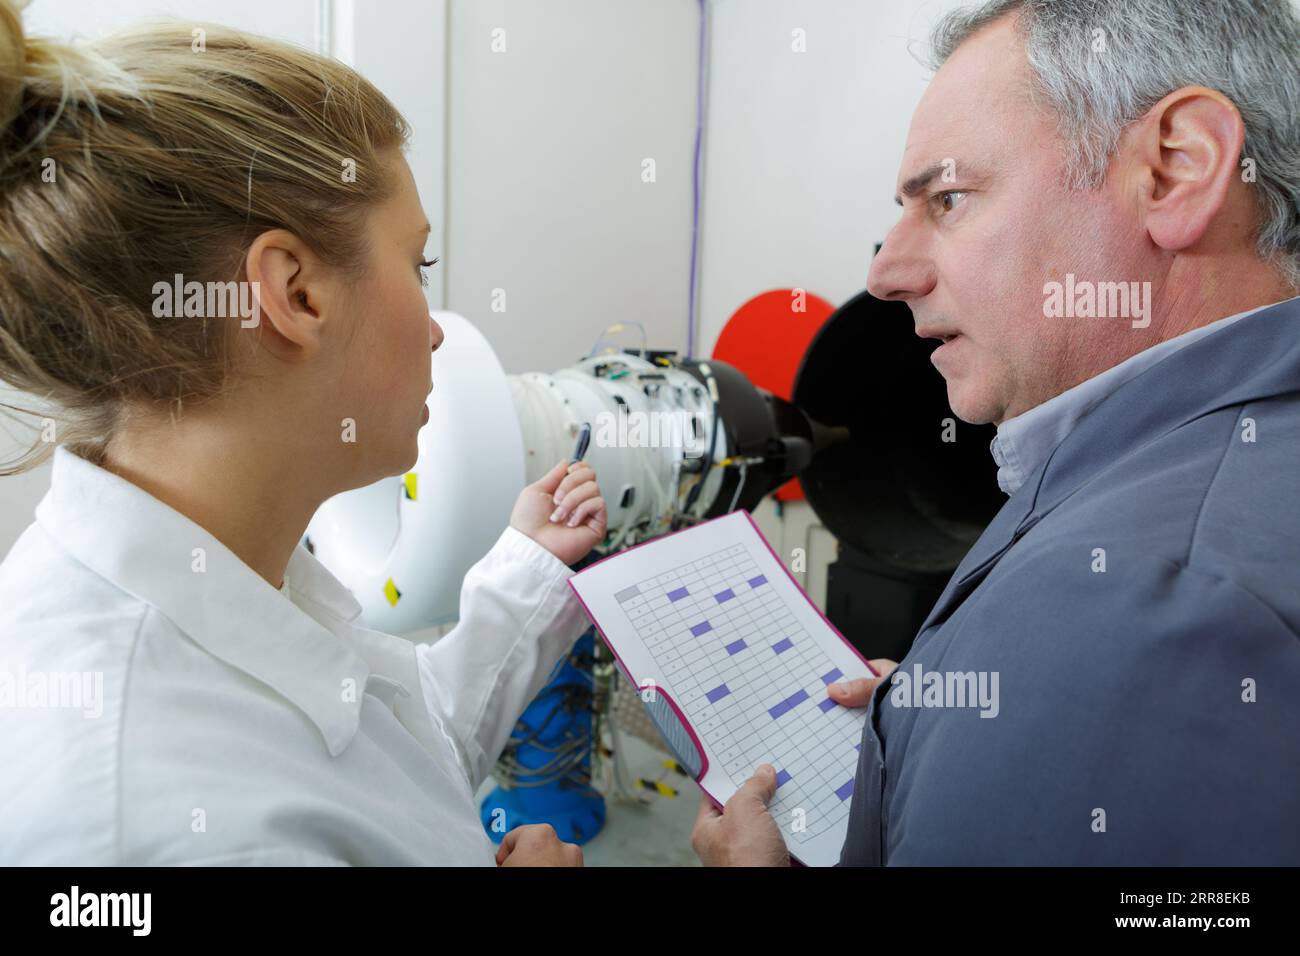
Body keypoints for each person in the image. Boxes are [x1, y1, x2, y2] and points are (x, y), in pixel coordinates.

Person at [693, 0, 1300, 866]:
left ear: (1178, 169)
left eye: (948, 198)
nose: (885, 274)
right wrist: (948, 720)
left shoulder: (1138, 618)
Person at [0, 5, 606, 865]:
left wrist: (527, 572)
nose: (436, 330)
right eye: (417, 263)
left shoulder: (223, 568)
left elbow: (381, 760)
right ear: (294, 293)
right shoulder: (146, 826)